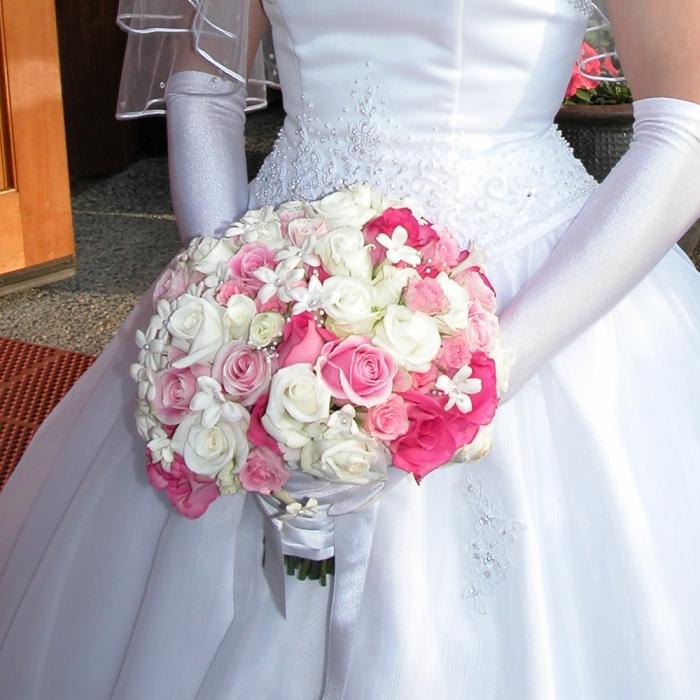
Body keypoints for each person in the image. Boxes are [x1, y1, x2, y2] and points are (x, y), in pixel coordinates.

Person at [1, 0, 699, 697]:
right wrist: (232, 308)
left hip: (525, 286)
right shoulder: (247, 305)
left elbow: (684, 129)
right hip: (278, 272)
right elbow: (205, 86)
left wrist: (484, 372)